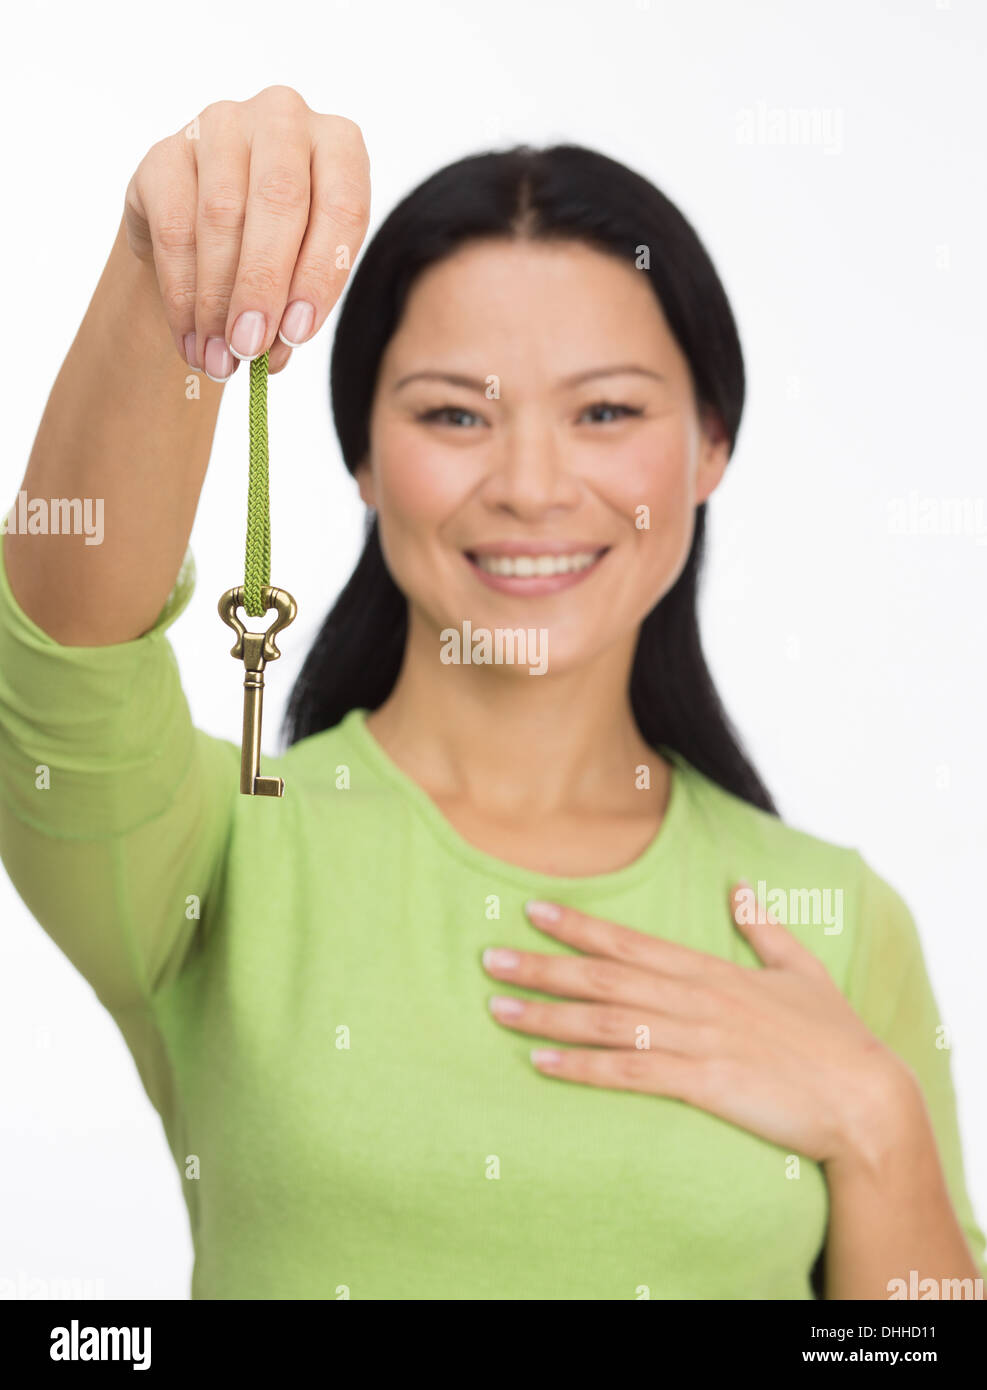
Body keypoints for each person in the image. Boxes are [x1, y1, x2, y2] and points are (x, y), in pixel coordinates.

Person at [1, 85, 983, 1301]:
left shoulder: (831, 919)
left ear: (712, 445)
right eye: (456, 413)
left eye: (607, 410)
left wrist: (875, 1118)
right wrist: (168, 268)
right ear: (363, 452)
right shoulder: (217, 847)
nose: (528, 484)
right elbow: (64, 647)